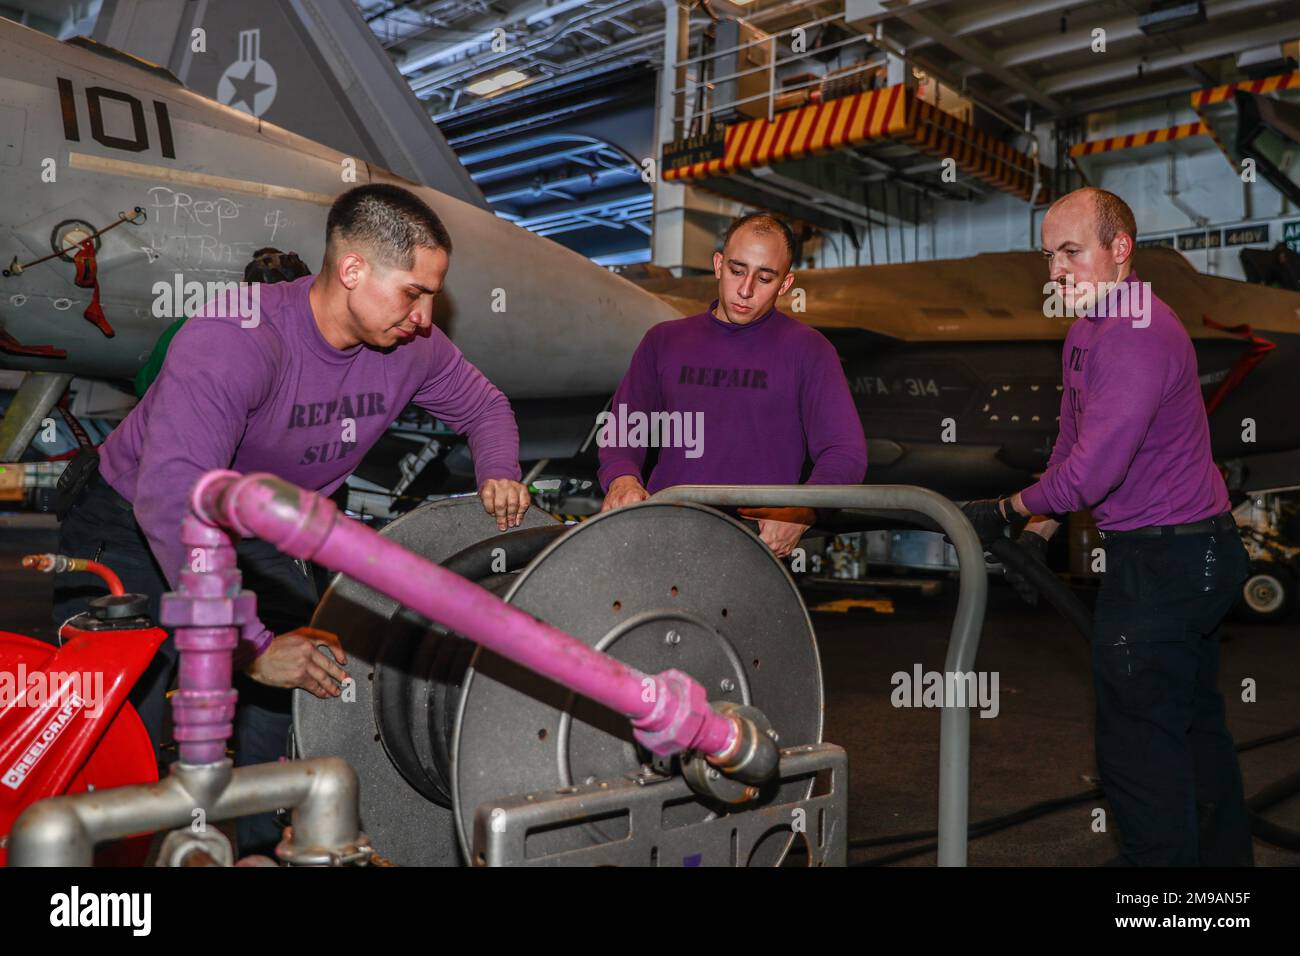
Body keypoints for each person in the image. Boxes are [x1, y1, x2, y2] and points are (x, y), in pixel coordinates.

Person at [54, 183, 531, 851]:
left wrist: (500, 472)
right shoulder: (236, 339)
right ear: (353, 270)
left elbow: (485, 409)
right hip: (136, 523)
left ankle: (253, 854)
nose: (425, 318)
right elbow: (172, 497)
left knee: (295, 690)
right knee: (119, 725)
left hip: (261, 530)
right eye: (414, 294)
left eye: (432, 297)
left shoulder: (411, 347)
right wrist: (248, 646)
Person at [962, 187, 1252, 866]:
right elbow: (1071, 444)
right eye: (1048, 256)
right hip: (1185, 555)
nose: (1055, 272)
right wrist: (1036, 529)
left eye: (1071, 252)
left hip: (1171, 564)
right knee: (1192, 729)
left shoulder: (1138, 334)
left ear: (1119, 251)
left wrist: (1004, 509)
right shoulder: (1086, 328)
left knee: (1137, 752)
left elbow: (1092, 475)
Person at [598, 212, 867, 556]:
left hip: (753, 548)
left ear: (785, 284)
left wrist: (803, 511)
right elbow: (624, 431)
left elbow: (845, 452)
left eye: (765, 278)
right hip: (661, 534)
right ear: (718, 264)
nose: (745, 289)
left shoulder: (810, 351)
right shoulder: (663, 341)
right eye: (737, 271)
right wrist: (622, 478)